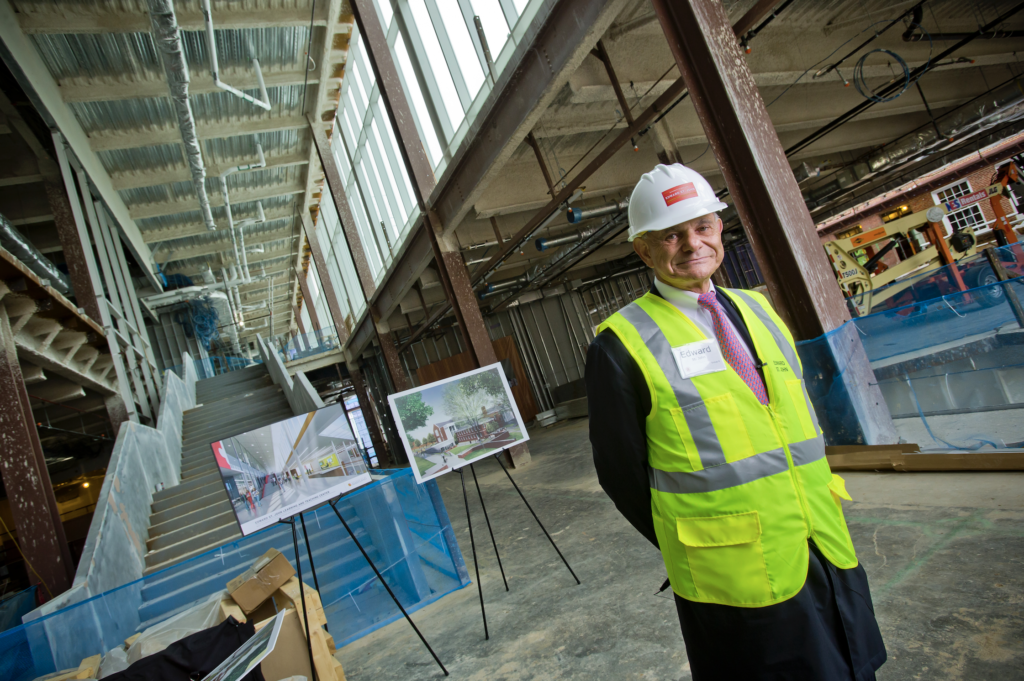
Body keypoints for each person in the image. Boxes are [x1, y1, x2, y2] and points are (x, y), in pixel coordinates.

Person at [585, 164, 886, 681]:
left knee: (852, 666)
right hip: (734, 571)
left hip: (821, 540)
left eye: (702, 227)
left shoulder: (759, 308)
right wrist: (698, 538)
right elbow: (622, 475)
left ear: (719, 229)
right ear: (643, 249)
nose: (691, 244)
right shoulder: (620, 345)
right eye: (671, 235)